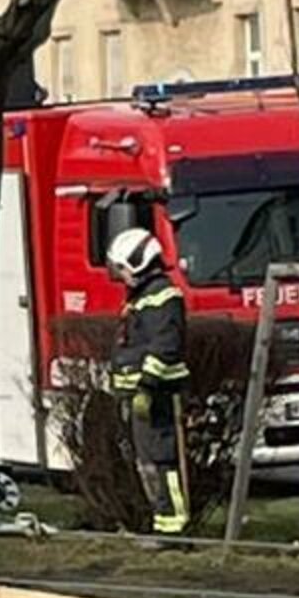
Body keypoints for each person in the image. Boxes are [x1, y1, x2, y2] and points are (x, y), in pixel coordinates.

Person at [107, 227, 190, 537]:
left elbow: (165, 346)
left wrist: (146, 387)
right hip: (141, 396)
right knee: (147, 463)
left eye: (123, 268)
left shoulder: (161, 296)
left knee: (162, 460)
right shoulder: (142, 297)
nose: (121, 275)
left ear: (138, 263)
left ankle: (173, 526)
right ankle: (161, 520)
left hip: (158, 396)